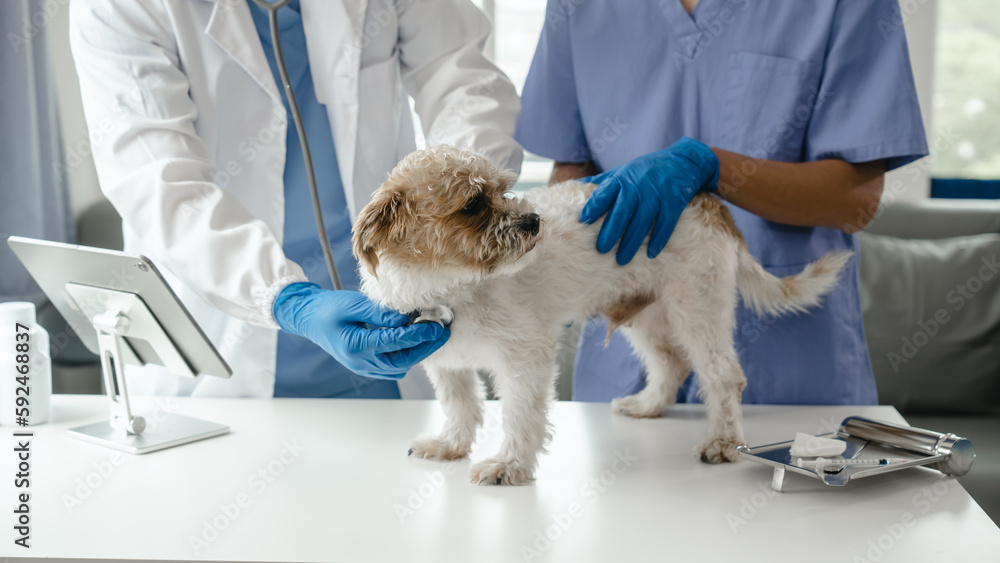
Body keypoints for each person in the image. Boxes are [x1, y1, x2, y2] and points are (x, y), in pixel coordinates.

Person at [69, 0, 522, 398]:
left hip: (391, 344)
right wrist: (289, 301)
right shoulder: (118, 6)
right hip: (218, 355)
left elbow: (463, 79)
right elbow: (159, 180)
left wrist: (471, 200)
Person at [516, 0, 928, 405]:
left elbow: (855, 200)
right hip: (623, 364)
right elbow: (572, 167)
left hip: (789, 374)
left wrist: (714, 168)